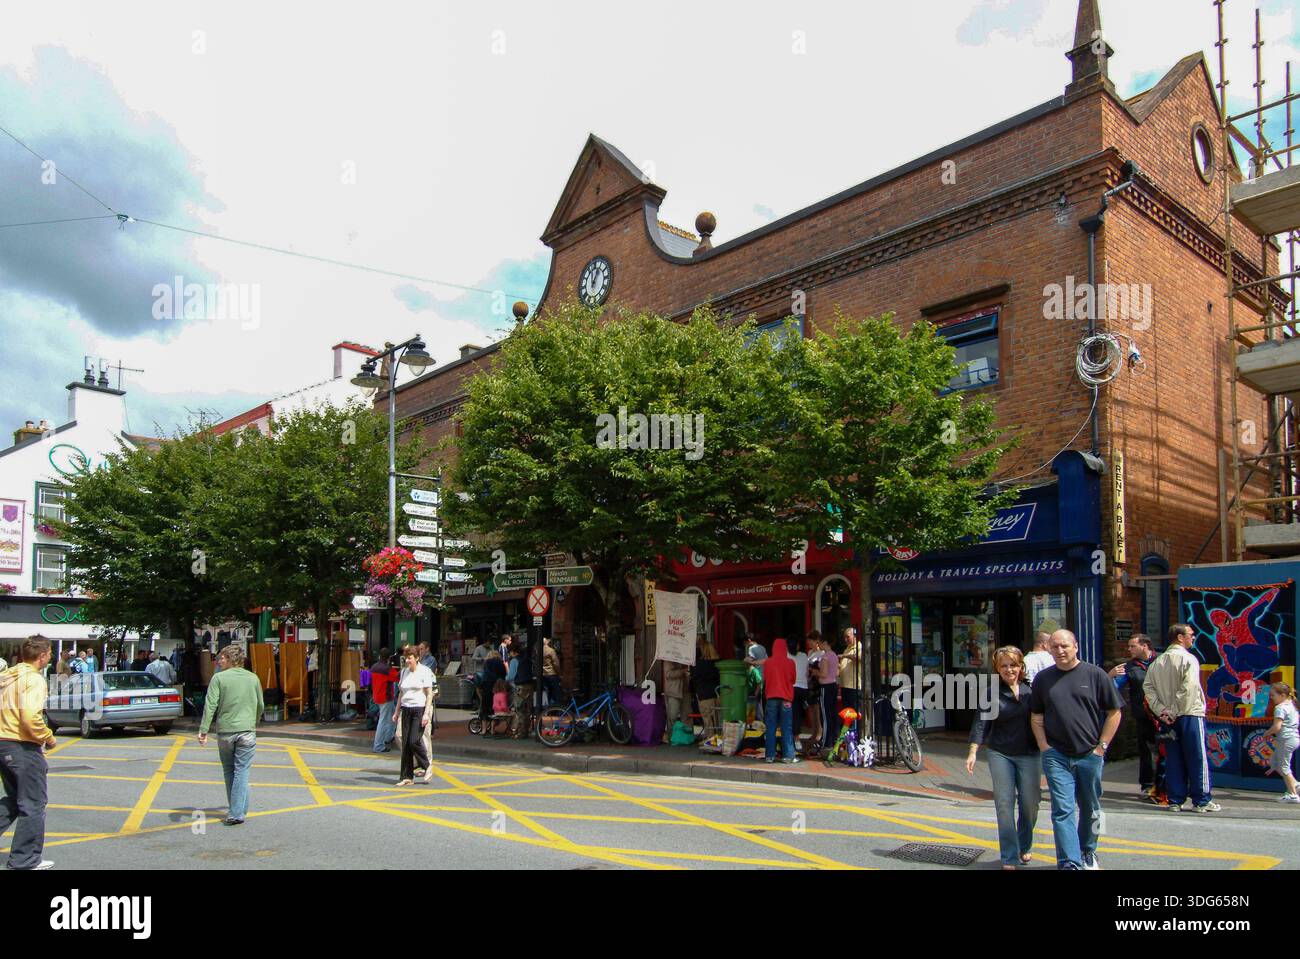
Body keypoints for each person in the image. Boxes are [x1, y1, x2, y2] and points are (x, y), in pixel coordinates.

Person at [1030, 629, 1123, 870]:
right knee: (1062, 810)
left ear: (1076, 647)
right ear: (1049, 649)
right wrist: (1044, 747)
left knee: (1093, 808)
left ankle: (1089, 851)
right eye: (1055, 646)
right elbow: (1036, 715)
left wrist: (1101, 747)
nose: (1060, 651)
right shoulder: (1043, 679)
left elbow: (1114, 713)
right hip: (1056, 756)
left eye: (1065, 646)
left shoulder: (1096, 675)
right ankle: (1069, 861)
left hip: (1090, 755)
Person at [966, 646, 1040, 869]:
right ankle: (1009, 855)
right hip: (1000, 753)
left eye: (1013, 665)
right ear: (997, 668)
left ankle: (1024, 844)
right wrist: (973, 751)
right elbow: (981, 723)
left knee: (1030, 803)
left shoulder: (1031, 692)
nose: (1009, 669)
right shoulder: (991, 693)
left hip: (1029, 752)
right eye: (1004, 666)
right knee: (1005, 803)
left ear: (1021, 667)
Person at [1144, 623, 1221, 813]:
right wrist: (1175, 710)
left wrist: (1163, 711)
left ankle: (1175, 800)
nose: (1193, 637)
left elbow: (1148, 689)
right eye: (1190, 634)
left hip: (1167, 719)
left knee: (1173, 759)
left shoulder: (1157, 663)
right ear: (1180, 637)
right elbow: (1189, 688)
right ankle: (1201, 801)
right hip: (1189, 714)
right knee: (1197, 757)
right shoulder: (1189, 659)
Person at [0, 637, 56, 869]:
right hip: (22, 745)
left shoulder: (8, 677)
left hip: (3, 742)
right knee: (33, 803)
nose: (50, 656)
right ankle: (25, 859)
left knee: (14, 800)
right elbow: (31, 716)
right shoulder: (33, 679)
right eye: (50, 652)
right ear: (42, 656)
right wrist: (48, 737)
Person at [197, 644, 264, 826]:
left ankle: (235, 812)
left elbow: (210, 705)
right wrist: (253, 720)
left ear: (232, 659)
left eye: (222, 658)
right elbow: (260, 705)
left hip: (226, 731)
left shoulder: (218, 678)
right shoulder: (253, 678)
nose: (219, 661)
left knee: (230, 770)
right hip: (247, 731)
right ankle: (239, 810)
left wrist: (204, 730)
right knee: (242, 771)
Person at [1108, 633, 1161, 801]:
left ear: (1144, 646)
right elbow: (1114, 688)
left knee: (1166, 750)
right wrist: (1109, 676)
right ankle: (1148, 785)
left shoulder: (1161, 661)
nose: (1129, 649)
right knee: (1147, 751)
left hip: (1164, 714)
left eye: (1132, 646)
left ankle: (1167, 784)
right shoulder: (1129, 667)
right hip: (1143, 715)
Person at [394, 646, 435, 786]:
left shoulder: (425, 671)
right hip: (406, 709)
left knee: (414, 740)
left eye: (410, 658)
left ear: (417, 658)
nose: (407, 661)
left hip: (419, 709)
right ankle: (407, 777)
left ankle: (427, 765)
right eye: (406, 658)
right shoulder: (404, 672)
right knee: (405, 744)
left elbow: (429, 694)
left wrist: (426, 713)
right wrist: (396, 711)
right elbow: (401, 693)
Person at [762, 638, 799, 764]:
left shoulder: (768, 662)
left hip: (771, 697)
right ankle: (788, 755)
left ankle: (769, 756)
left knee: (770, 727)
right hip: (785, 698)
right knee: (786, 727)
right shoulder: (790, 662)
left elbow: (765, 678)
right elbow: (793, 680)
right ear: (785, 649)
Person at [1264, 683, 1299, 802]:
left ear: (1282, 695)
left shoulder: (1280, 708)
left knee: (1284, 767)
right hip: (1292, 739)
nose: (1271, 697)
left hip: (1286, 740)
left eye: (1273, 695)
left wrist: (1267, 733)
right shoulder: (1291, 705)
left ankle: (1293, 795)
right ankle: (1295, 785)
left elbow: (1277, 727)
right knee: (1275, 762)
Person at [812, 634, 841, 748]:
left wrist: (815, 673)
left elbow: (823, 674)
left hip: (825, 686)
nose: (818, 645)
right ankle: (834, 738)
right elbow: (837, 672)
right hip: (833, 685)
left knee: (825, 715)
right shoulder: (834, 655)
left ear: (825, 643)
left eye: (820, 643)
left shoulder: (825, 657)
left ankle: (825, 742)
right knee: (833, 713)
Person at [370, 648, 398, 753]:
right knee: (384, 720)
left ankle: (388, 737)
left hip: (377, 696)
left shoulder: (374, 667)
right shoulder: (387, 669)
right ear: (389, 658)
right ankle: (378, 745)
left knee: (392, 716)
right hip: (386, 697)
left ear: (379, 656)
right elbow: (398, 677)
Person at [693, 641, 721, 739]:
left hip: (704, 695)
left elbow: (694, 680)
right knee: (717, 720)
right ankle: (719, 740)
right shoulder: (718, 663)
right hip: (717, 695)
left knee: (708, 721)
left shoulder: (698, 665)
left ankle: (711, 741)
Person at [508, 641, 535, 738]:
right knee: (528, 710)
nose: (509, 654)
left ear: (513, 652)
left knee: (519, 710)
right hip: (530, 686)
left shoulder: (515, 661)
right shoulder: (527, 659)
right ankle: (526, 730)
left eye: (510, 652)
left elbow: (511, 676)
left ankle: (520, 733)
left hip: (520, 687)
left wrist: (504, 678)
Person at [662, 659, 691, 743]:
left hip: (685, 690)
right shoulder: (668, 659)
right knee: (672, 715)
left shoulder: (686, 657)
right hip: (673, 691)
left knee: (686, 714)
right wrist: (682, 671)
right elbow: (668, 674)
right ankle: (671, 736)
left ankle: (686, 736)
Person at [805, 631, 824, 749]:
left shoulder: (821, 653)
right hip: (810, 682)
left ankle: (819, 733)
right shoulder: (810, 652)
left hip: (817, 682)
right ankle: (813, 732)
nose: (809, 643)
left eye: (810, 641)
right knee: (811, 708)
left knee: (818, 709)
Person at [838, 627, 863, 715]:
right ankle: (847, 729)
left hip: (854, 686)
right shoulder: (847, 648)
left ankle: (856, 729)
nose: (846, 639)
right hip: (845, 686)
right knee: (847, 712)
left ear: (855, 636)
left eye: (848, 637)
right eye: (844, 637)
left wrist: (845, 656)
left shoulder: (859, 647)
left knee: (855, 712)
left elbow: (858, 657)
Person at [790, 636, 809, 750]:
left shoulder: (787, 656)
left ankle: (795, 739)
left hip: (791, 687)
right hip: (803, 688)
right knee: (799, 714)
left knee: (792, 714)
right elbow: (806, 672)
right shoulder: (804, 656)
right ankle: (796, 739)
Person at [479, 651, 507, 724]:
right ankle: (492, 728)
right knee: (494, 705)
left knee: (485, 705)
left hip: (486, 685)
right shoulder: (500, 663)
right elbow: (504, 674)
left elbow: (485, 675)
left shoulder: (486, 662)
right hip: (497, 686)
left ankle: (484, 728)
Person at [541, 637, 562, 706]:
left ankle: (548, 709)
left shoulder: (538, 650)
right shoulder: (551, 650)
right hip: (552, 673)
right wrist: (559, 673)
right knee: (556, 692)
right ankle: (558, 709)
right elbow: (556, 663)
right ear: (546, 642)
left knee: (548, 692)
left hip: (543, 674)